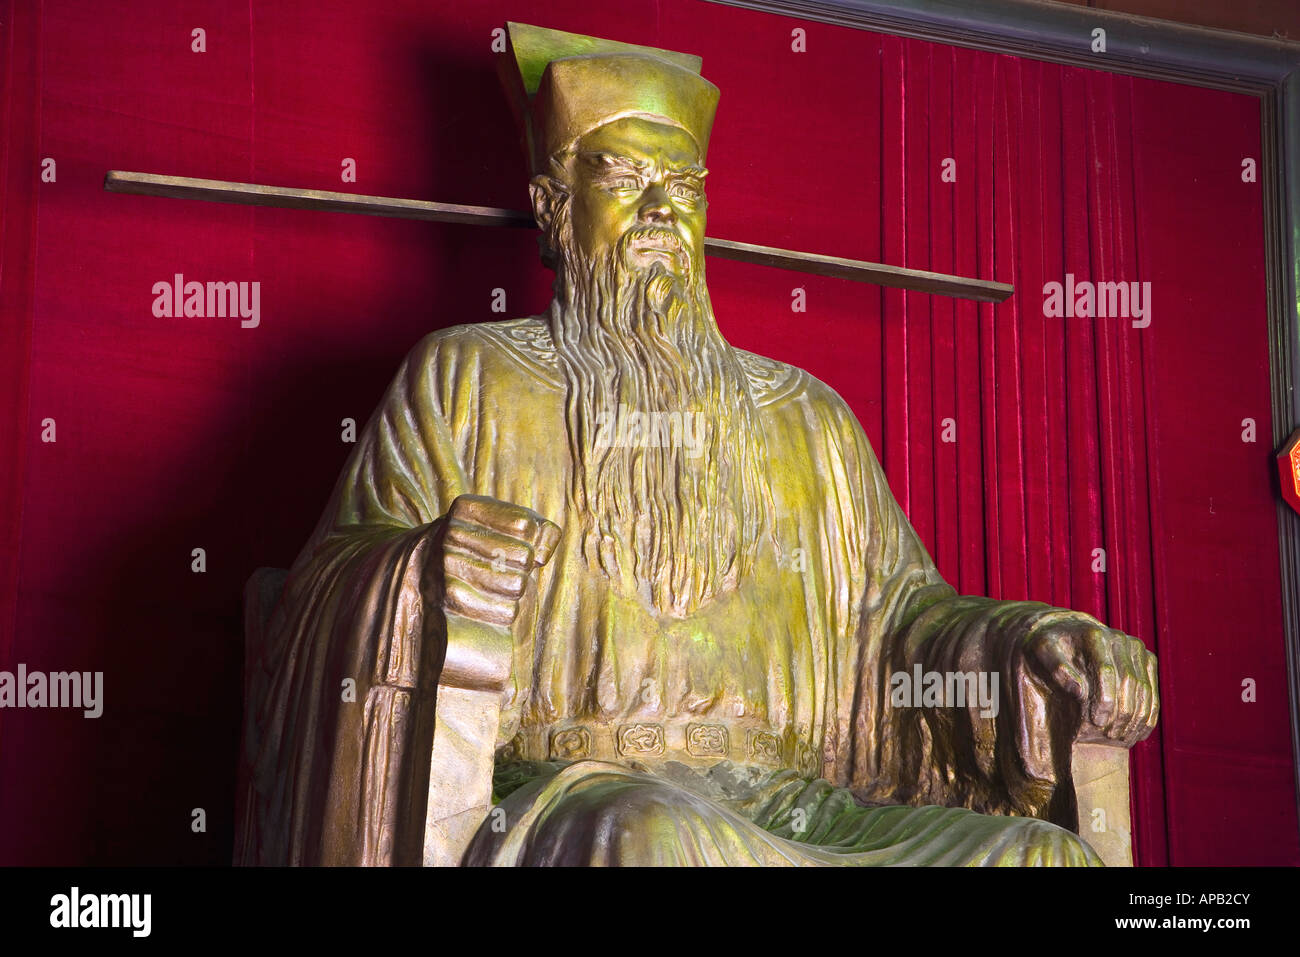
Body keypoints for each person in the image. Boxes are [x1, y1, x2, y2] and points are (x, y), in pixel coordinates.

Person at [235, 22, 1157, 866]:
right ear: (554, 208)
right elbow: (318, 596)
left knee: (1041, 859)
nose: (658, 214)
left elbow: (903, 624)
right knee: (653, 835)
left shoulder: (807, 417)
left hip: (797, 806)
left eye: (681, 188)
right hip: (563, 789)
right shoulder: (469, 378)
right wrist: (425, 571)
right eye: (623, 180)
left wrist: (1033, 647)